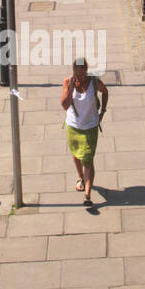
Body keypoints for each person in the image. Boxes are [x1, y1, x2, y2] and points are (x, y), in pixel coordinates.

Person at [61, 59, 108, 207]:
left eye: (83, 74)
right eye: (78, 74)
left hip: (90, 126)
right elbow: (64, 105)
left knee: (87, 159)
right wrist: (70, 88)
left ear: (87, 71)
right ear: (73, 71)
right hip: (73, 126)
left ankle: (87, 195)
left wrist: (103, 111)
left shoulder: (94, 82)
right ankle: (81, 177)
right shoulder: (68, 82)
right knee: (76, 155)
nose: (81, 78)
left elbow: (105, 91)